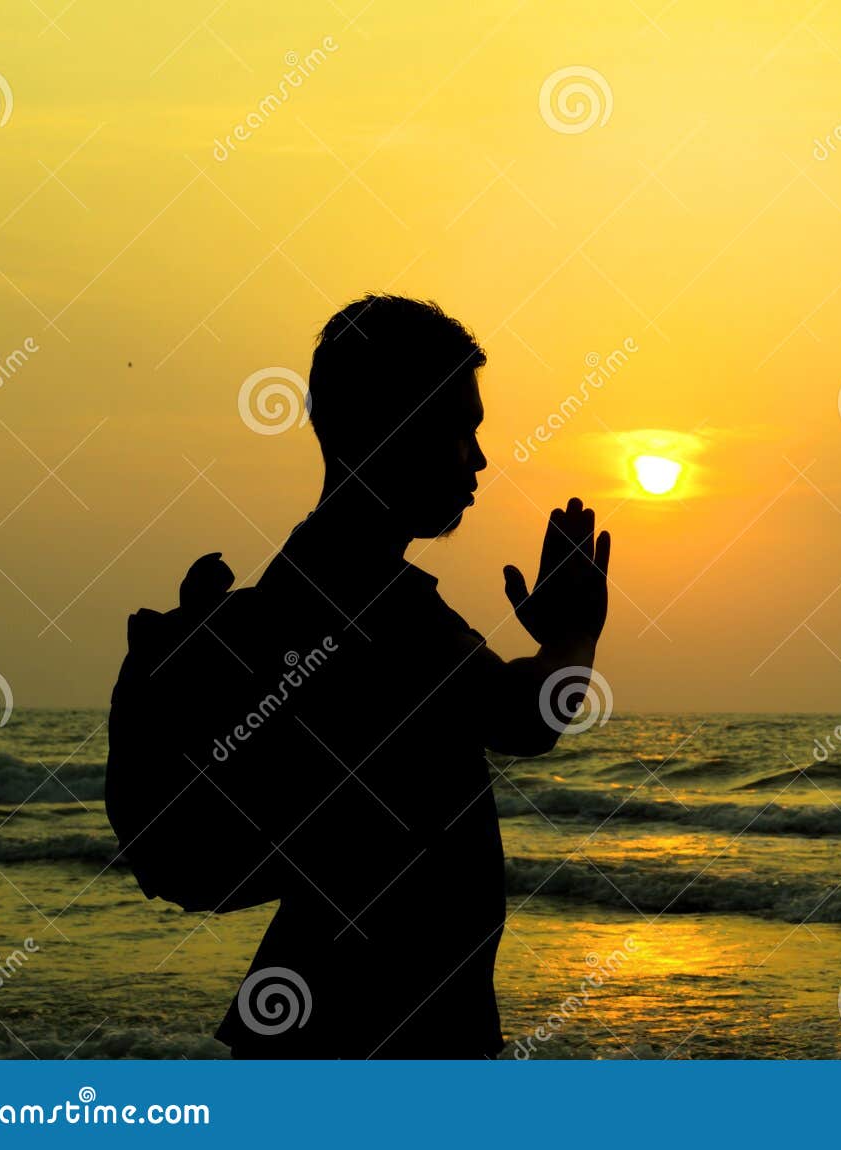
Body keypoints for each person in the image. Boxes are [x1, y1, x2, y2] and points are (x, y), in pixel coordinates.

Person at [215, 293, 611, 1058]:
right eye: (460, 430)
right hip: (376, 1027)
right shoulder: (369, 600)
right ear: (391, 429)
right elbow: (526, 721)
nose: (479, 459)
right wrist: (573, 635)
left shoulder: (311, 576)